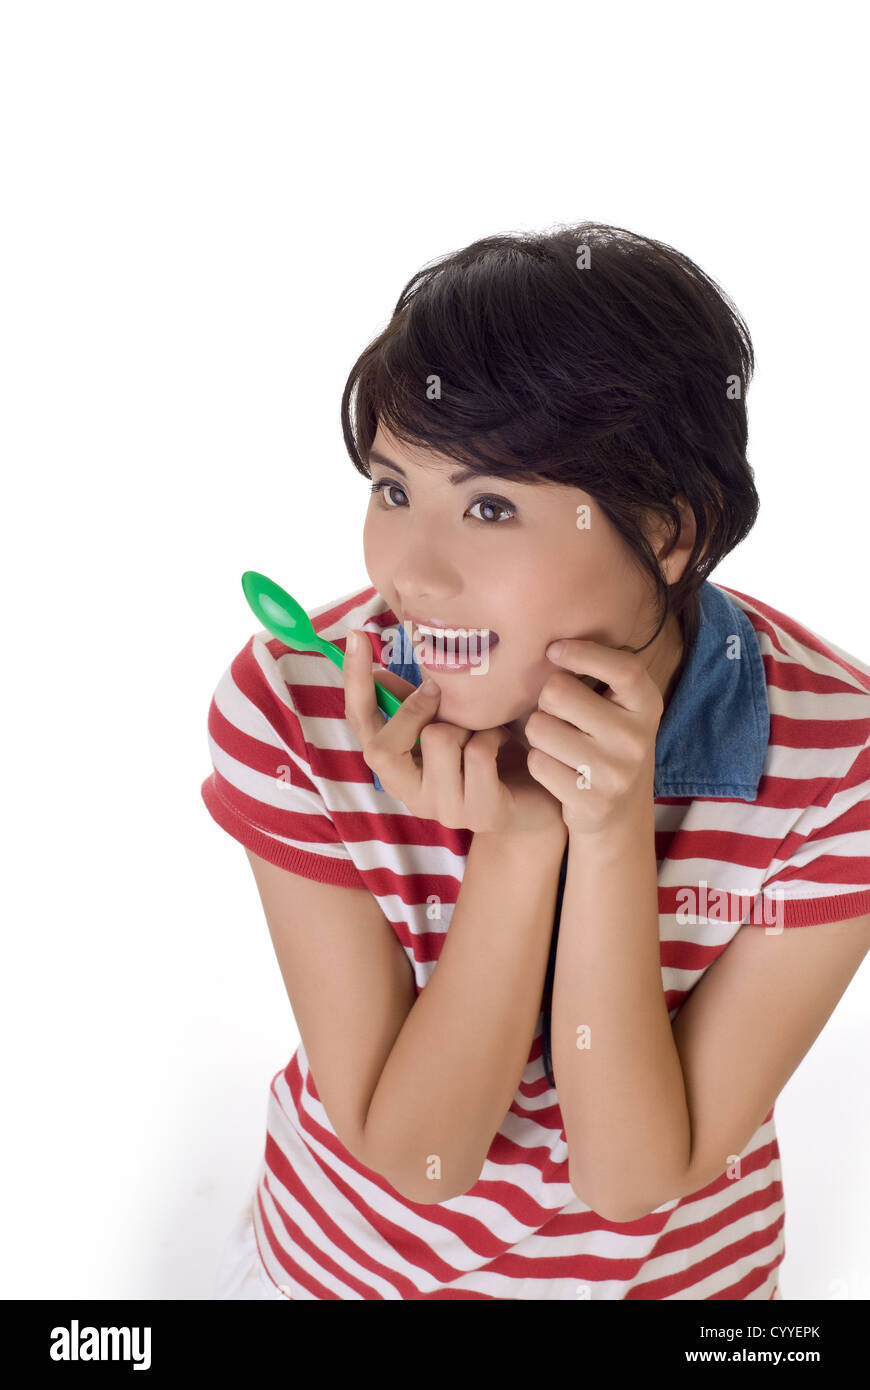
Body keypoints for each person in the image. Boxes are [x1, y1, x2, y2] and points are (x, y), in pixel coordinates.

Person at [202, 222, 870, 1300]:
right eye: (391, 488)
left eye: (491, 506)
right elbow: (420, 1156)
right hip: (353, 1275)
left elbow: (630, 1179)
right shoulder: (299, 709)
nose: (411, 575)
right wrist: (522, 845)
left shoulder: (837, 762)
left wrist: (608, 839)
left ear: (666, 531)